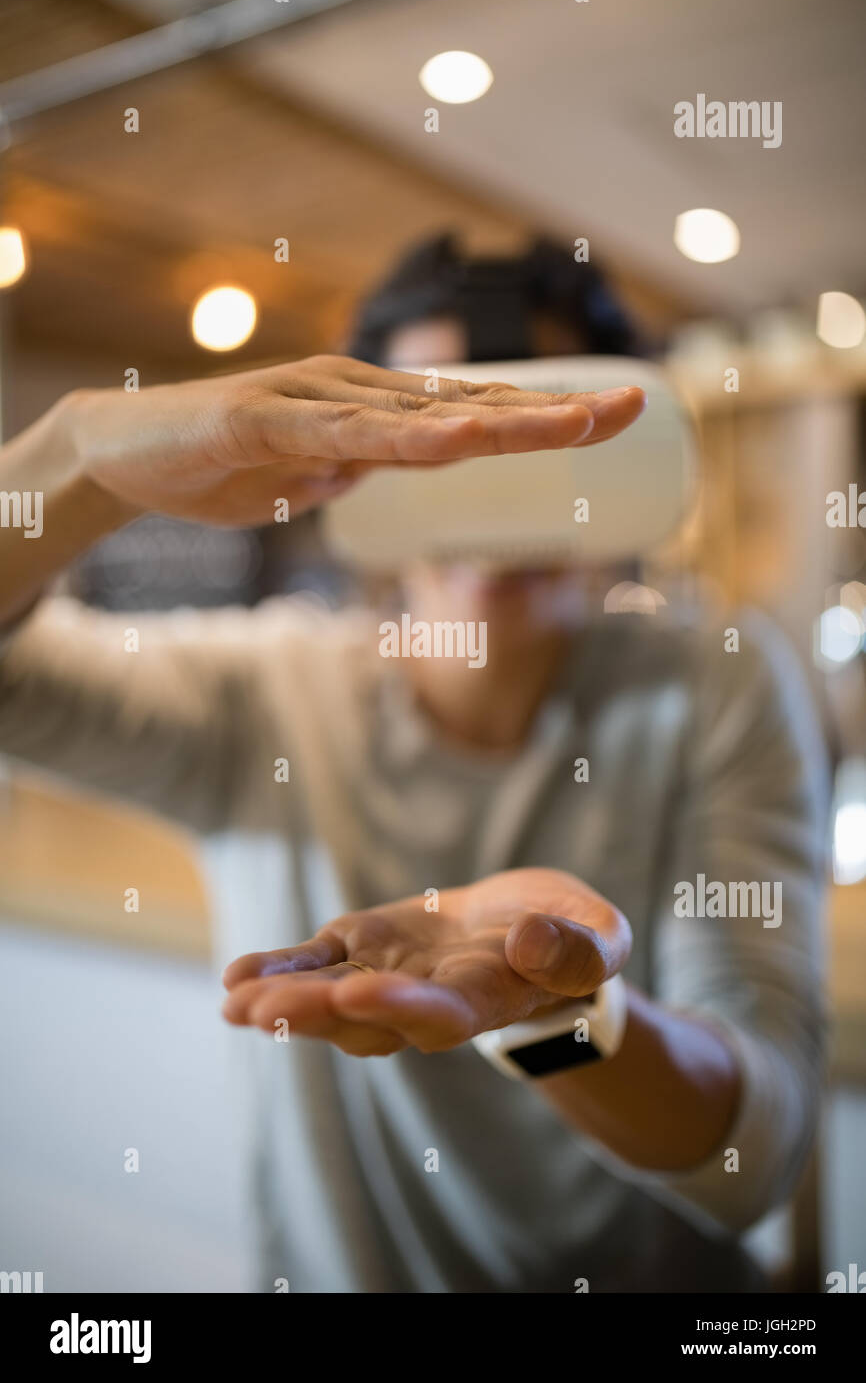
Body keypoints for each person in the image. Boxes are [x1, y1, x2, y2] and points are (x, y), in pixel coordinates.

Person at [0, 237, 827, 1294]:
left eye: (534, 436)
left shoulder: (710, 683)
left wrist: (555, 1020)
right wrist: (80, 457)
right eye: (429, 438)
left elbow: (746, 1159)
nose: (482, 483)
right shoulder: (263, 691)